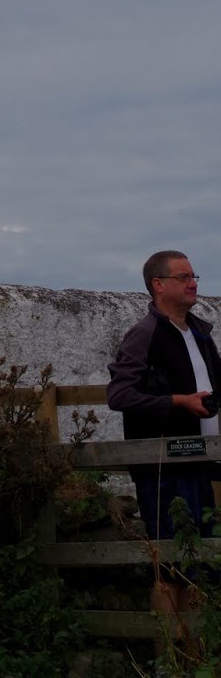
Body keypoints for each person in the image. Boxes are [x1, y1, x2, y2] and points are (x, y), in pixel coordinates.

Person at [108, 250, 221, 630]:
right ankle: (169, 660)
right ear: (159, 285)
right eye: (183, 276)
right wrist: (178, 402)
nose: (193, 283)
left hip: (201, 464)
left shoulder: (201, 333)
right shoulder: (145, 334)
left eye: (195, 276)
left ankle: (194, 655)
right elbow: (119, 396)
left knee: (198, 565)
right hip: (163, 468)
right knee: (169, 567)